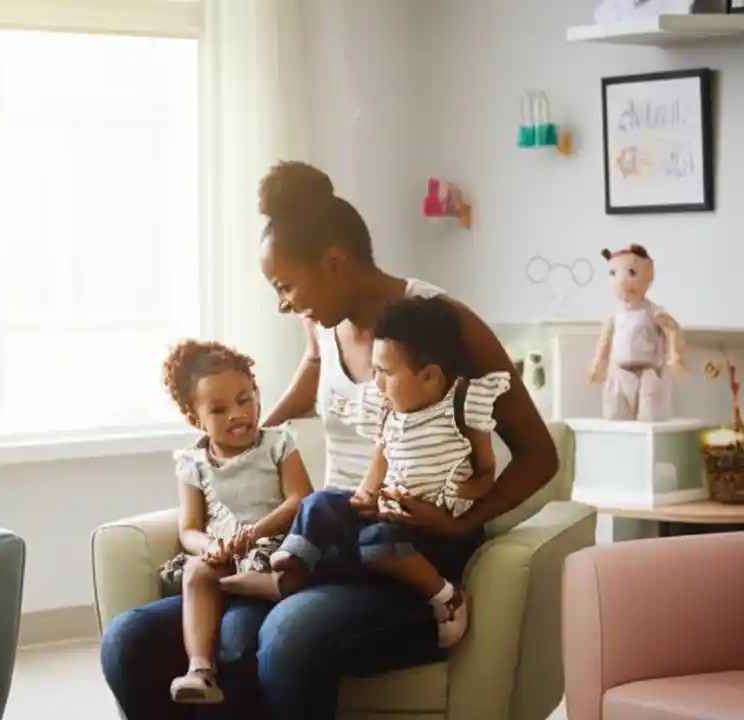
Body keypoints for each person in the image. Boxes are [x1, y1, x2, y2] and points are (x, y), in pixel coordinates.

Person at [99, 161, 559, 720]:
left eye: (286, 286)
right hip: (327, 542)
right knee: (128, 639)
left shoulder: (440, 325)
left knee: (281, 634)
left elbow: (540, 455)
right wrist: (246, 437)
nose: (283, 303)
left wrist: (461, 521)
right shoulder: (325, 325)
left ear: (335, 264)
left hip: (405, 556)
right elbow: (314, 378)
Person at [220, 295, 510, 649]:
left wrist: (452, 506)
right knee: (321, 503)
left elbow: (486, 471)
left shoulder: (462, 410)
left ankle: (445, 595)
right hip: (394, 511)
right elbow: (382, 456)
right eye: (374, 371)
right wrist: (366, 493)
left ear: (430, 377)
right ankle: (290, 572)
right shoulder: (391, 413)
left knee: (376, 543)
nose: (377, 383)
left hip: (437, 529)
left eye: (385, 373)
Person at [157, 340, 310, 704]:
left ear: (257, 394)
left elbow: (301, 499)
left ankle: (268, 583)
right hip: (225, 552)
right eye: (219, 409)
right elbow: (189, 529)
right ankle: (199, 670)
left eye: (245, 399)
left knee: (282, 560)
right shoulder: (192, 464)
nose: (237, 414)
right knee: (196, 573)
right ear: (196, 419)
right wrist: (212, 547)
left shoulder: (278, 443)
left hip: (272, 542)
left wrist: (253, 535)